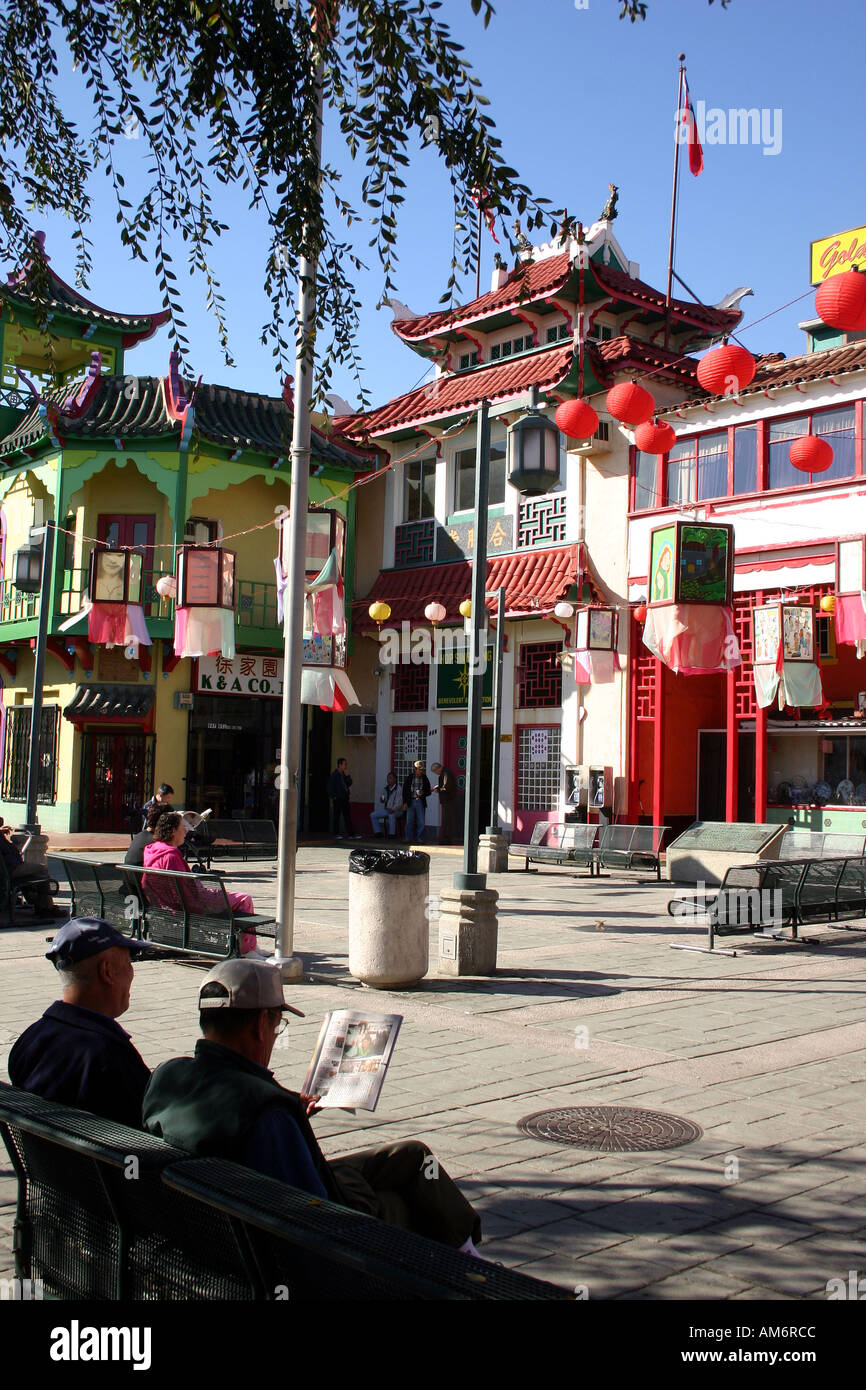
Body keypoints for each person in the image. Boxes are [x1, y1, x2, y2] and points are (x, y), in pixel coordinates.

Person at [142, 959, 482, 1253]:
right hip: (306, 1244)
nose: (275, 1035)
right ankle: (471, 1264)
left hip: (210, 1226)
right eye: (277, 1024)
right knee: (411, 1199)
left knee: (412, 1155)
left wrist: (289, 1113)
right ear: (260, 1026)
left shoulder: (167, 1075)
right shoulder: (267, 1114)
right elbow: (316, 1218)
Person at [8, 917, 157, 1128]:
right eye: (128, 963)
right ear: (107, 972)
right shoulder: (110, 1055)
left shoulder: (30, 1039)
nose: (132, 972)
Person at [142, 811, 259, 955]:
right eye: (182, 827)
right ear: (173, 831)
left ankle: (249, 946)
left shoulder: (151, 850)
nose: (186, 831)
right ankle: (248, 950)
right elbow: (186, 893)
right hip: (190, 905)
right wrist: (204, 896)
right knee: (244, 899)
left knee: (229, 896)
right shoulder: (171, 856)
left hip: (164, 904)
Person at [0, 820, 67, 919]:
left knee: (32, 873)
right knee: (41, 869)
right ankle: (46, 907)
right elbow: (8, 851)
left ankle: (39, 903)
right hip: (9, 869)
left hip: (9, 868)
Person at [326, 758, 360, 839]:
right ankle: (336, 834)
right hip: (338, 799)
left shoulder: (344, 774)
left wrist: (348, 776)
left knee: (347, 817)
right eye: (345, 764)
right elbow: (329, 787)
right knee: (336, 817)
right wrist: (334, 796)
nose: (346, 766)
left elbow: (349, 783)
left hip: (345, 798)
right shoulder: (334, 775)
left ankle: (351, 834)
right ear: (340, 765)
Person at [402, 760, 431, 843]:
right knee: (409, 821)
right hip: (410, 801)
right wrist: (405, 802)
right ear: (415, 769)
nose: (421, 771)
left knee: (421, 821)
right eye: (419, 769)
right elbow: (405, 791)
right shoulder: (410, 777)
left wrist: (423, 792)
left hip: (420, 801)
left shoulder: (425, 778)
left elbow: (428, 791)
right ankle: (408, 838)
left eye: (422, 769)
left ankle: (420, 838)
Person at [431, 762, 459, 844]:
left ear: (438, 768)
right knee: (446, 820)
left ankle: (447, 839)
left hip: (448, 800)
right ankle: (446, 838)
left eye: (435, 771)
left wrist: (438, 789)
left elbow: (446, 786)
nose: (436, 773)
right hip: (447, 800)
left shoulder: (445, 773)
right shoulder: (445, 772)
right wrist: (439, 786)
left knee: (447, 820)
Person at [370, 771, 404, 838]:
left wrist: (393, 809)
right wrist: (382, 799)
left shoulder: (399, 789)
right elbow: (383, 799)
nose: (388, 780)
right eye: (388, 778)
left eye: (390, 778)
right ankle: (378, 832)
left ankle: (392, 834)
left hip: (398, 810)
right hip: (387, 809)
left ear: (395, 779)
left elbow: (399, 802)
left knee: (391, 815)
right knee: (373, 815)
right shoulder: (386, 789)